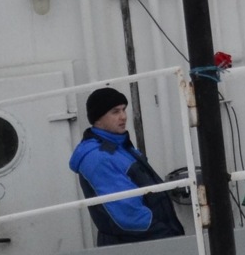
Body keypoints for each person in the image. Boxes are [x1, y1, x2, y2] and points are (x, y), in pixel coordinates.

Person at [69, 87, 184, 245]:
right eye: (115, 112)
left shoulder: (119, 147)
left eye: (124, 110)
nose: (123, 116)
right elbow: (128, 216)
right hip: (137, 247)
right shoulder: (98, 158)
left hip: (146, 242)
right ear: (98, 119)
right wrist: (168, 235)